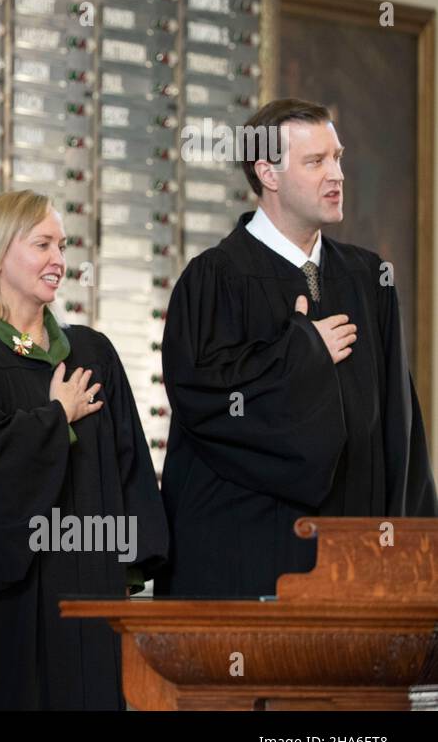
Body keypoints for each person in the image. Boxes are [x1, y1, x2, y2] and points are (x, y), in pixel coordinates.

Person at [159, 98, 436, 598]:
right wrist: (303, 353)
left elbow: (400, 426)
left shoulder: (368, 278)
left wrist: (414, 554)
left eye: (338, 157)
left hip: (353, 567)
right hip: (244, 561)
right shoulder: (214, 279)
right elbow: (206, 402)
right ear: (268, 172)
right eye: (316, 162)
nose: (337, 174)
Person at [0, 190, 168, 709]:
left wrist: (127, 568)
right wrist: (54, 418)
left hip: (93, 583)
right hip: (15, 590)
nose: (59, 260)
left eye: (61, 246)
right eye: (42, 244)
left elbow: (129, 462)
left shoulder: (92, 352)